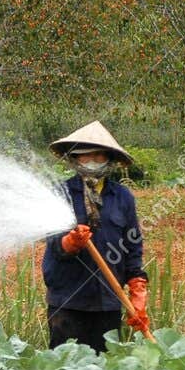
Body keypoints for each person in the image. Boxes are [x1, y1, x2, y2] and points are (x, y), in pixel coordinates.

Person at [41, 122, 149, 352]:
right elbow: (52, 242)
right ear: (75, 158)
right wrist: (70, 242)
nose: (92, 160)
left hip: (107, 301)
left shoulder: (122, 197)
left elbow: (132, 246)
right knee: (63, 366)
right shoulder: (61, 193)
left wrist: (137, 289)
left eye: (99, 155)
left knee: (106, 367)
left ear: (109, 159)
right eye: (86, 155)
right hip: (67, 301)